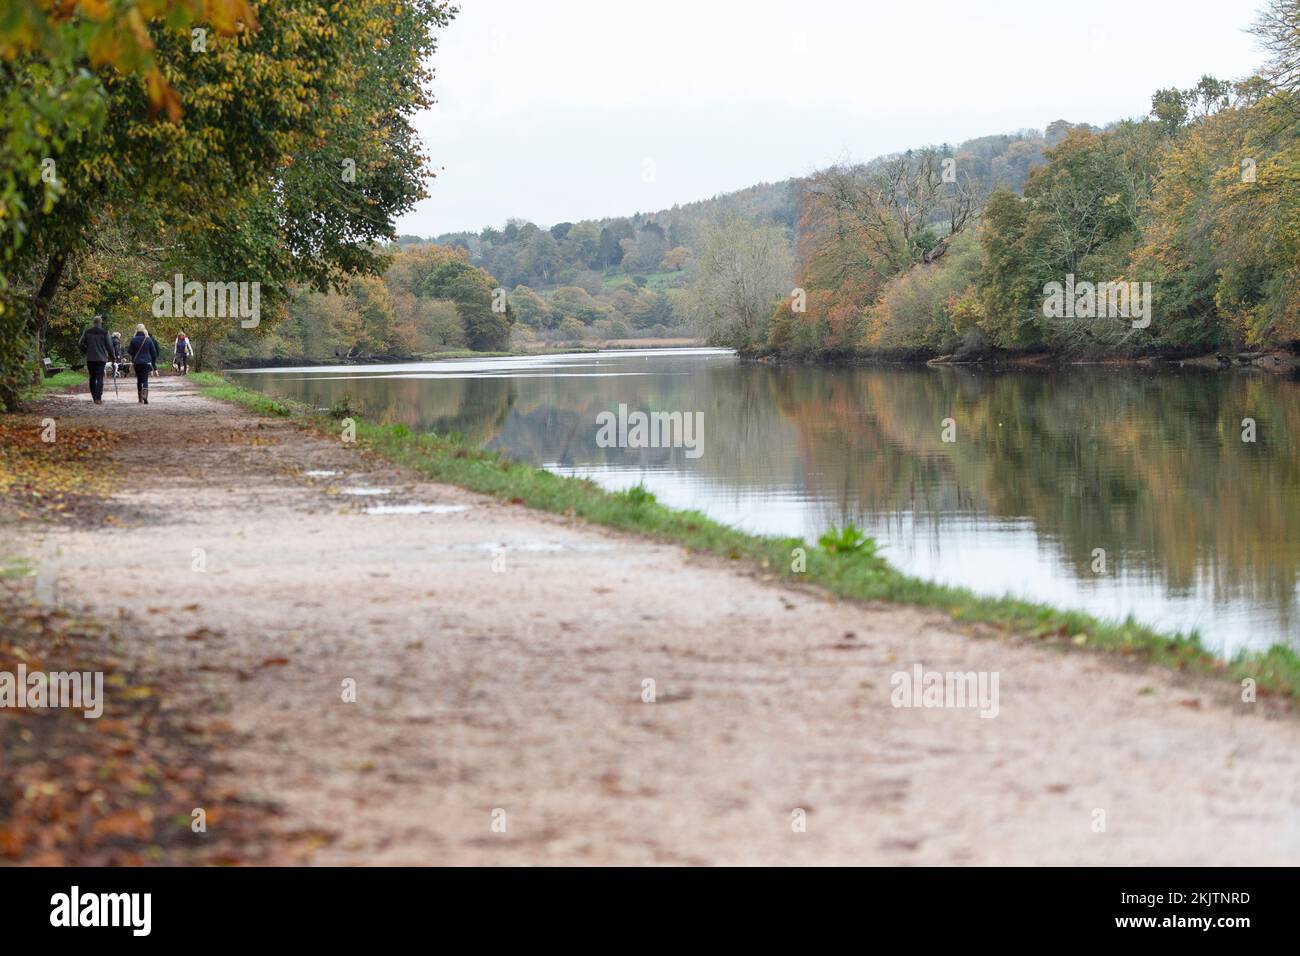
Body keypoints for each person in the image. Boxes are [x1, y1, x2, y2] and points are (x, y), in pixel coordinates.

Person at [76, 315, 114, 405]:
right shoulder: (105, 333)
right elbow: (109, 346)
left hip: (90, 358)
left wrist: (86, 350)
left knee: (92, 378)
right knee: (100, 378)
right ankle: (98, 398)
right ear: (101, 323)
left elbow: (80, 343)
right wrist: (113, 357)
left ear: (93, 322)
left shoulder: (87, 332)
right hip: (101, 359)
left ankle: (94, 397)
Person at [127, 324, 159, 404]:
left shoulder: (133, 339)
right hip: (146, 362)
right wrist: (152, 361)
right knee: (145, 379)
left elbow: (129, 351)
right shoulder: (148, 339)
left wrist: (135, 353)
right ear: (144, 330)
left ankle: (140, 398)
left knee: (139, 379)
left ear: (136, 330)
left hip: (137, 362)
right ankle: (145, 394)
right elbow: (154, 352)